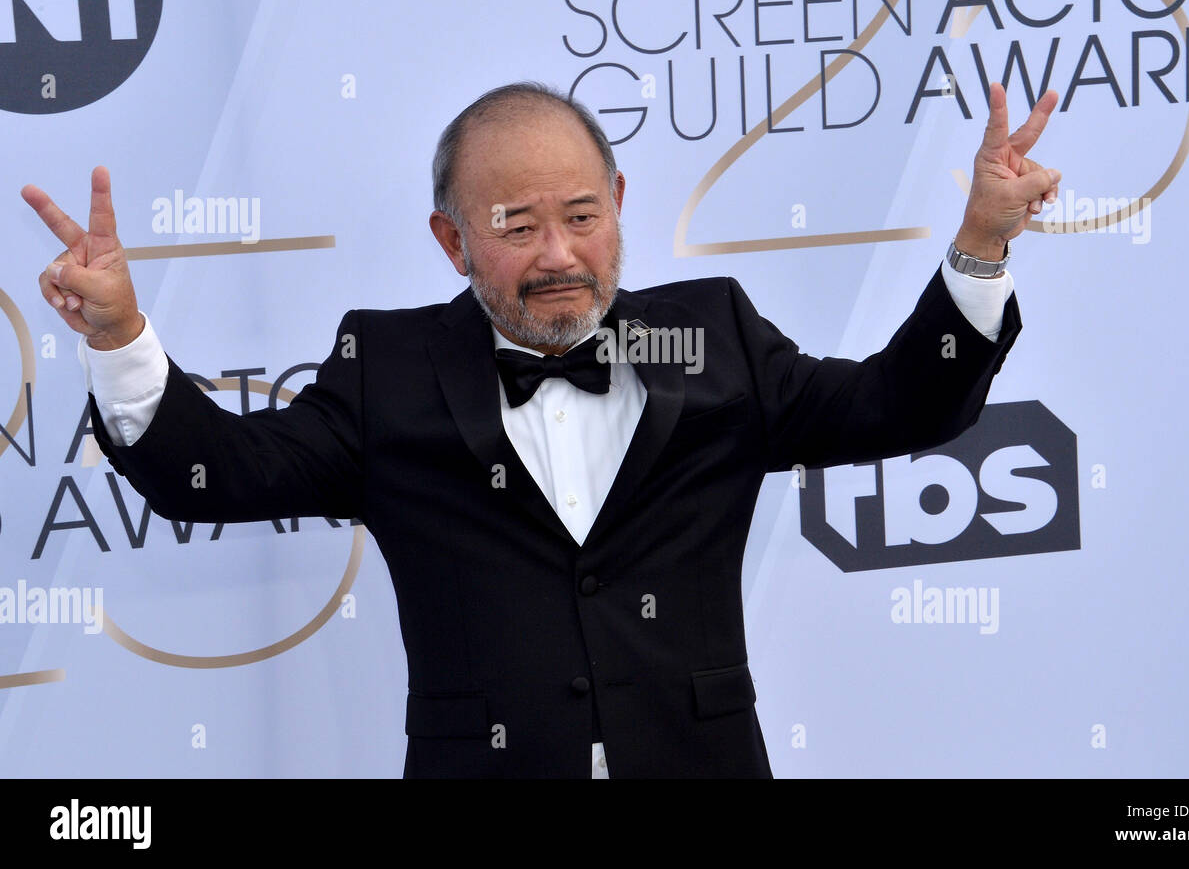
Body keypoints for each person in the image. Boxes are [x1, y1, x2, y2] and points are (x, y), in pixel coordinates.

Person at [24, 80, 1060, 778]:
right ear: (453, 241)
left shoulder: (710, 339)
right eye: (516, 227)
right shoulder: (391, 371)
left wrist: (977, 244)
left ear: (619, 203)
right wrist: (119, 332)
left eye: (580, 214)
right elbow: (224, 473)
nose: (558, 252)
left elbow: (899, 403)